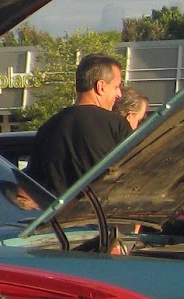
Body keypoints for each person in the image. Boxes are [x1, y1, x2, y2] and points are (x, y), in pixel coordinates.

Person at [29, 53, 130, 195]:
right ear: (100, 86)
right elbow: (132, 174)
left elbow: (33, 183)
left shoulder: (48, 128)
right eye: (116, 86)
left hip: (60, 215)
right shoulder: (115, 124)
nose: (119, 94)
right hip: (104, 213)